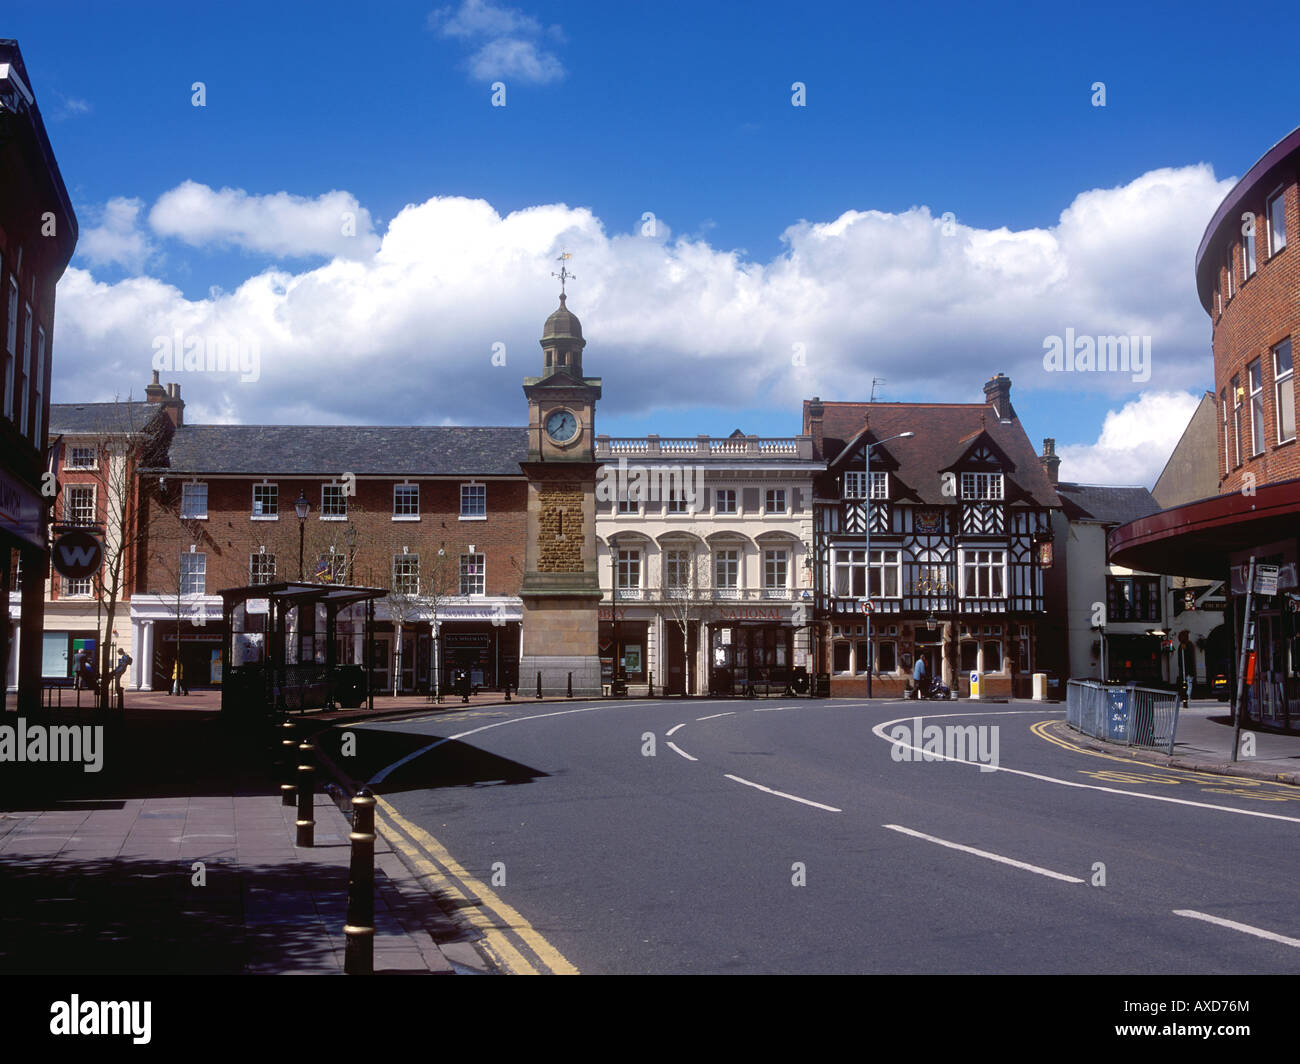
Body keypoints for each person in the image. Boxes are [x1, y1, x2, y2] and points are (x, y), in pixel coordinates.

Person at [1177, 630, 1195, 708]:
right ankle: (1185, 699)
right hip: (1186, 670)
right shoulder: (1182, 645)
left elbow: (1190, 658)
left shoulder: (1188, 645)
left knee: (1188, 684)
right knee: (1187, 684)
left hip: (1188, 670)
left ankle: (1186, 698)